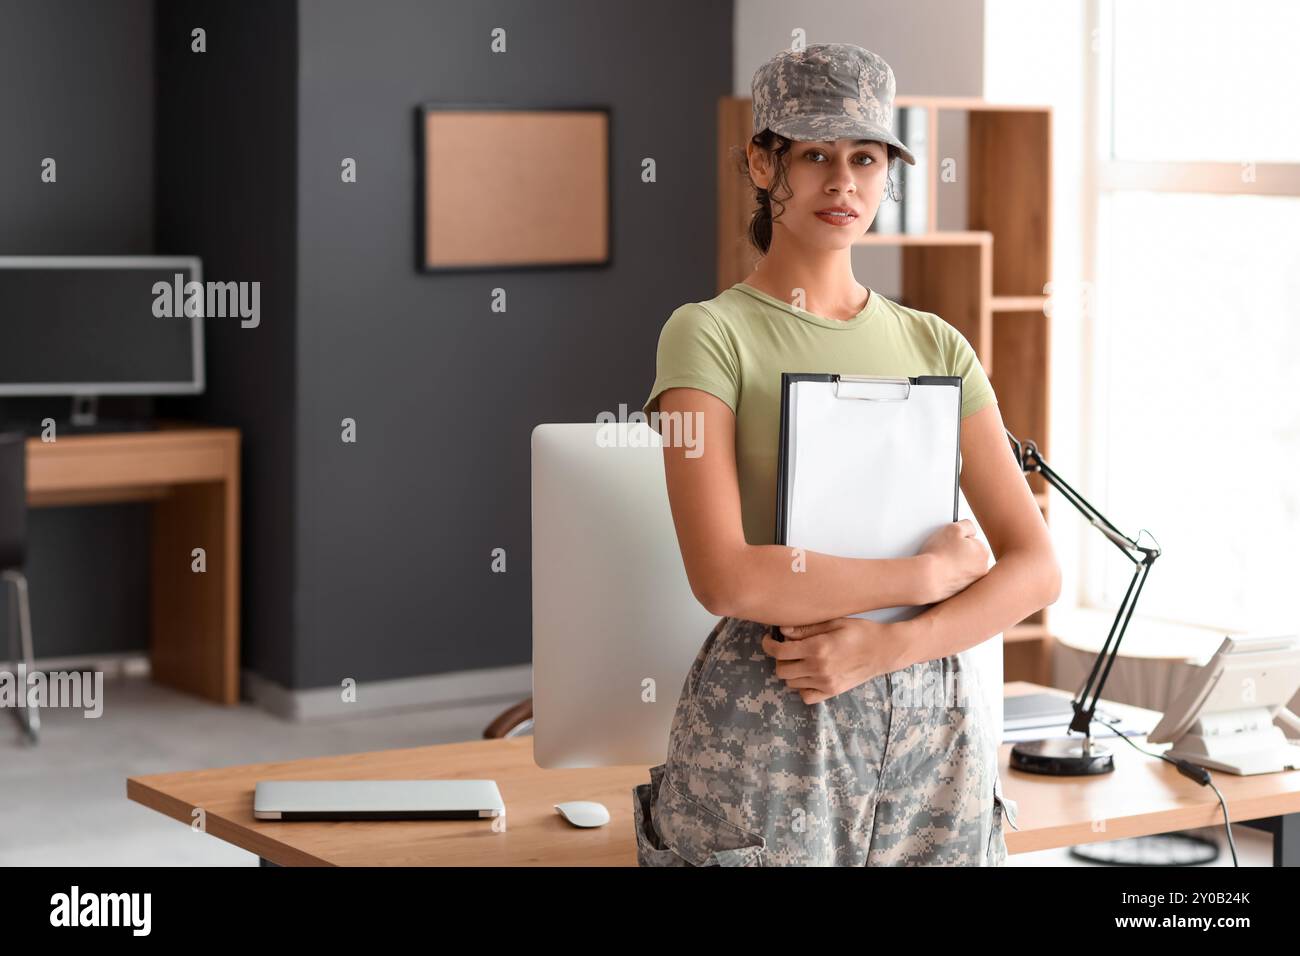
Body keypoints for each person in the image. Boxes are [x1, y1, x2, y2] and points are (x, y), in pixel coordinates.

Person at [630, 43, 1059, 866]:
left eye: (866, 157)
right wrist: (923, 578)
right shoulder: (708, 334)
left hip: (936, 733)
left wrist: (890, 642)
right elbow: (726, 576)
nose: (843, 183)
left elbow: (1035, 569)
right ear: (762, 163)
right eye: (815, 155)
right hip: (776, 722)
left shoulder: (936, 343)